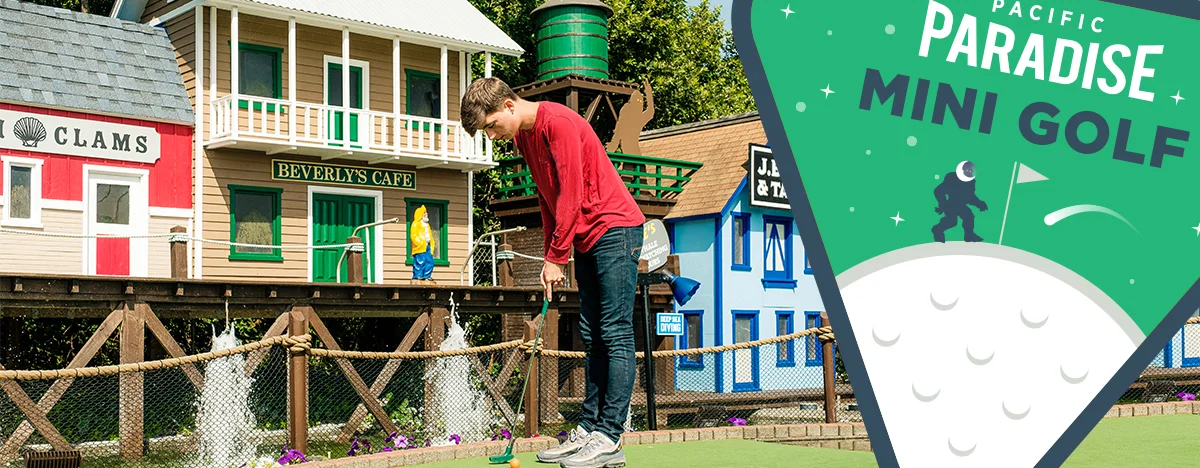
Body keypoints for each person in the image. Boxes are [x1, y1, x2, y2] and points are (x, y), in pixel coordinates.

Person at [461, 77, 646, 468]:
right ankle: (590, 429)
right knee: (592, 333)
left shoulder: (557, 123)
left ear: (508, 105)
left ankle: (610, 437)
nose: (491, 136)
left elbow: (572, 193)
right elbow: (549, 199)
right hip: (588, 236)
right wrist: (551, 254)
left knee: (614, 331)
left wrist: (558, 257)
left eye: (491, 126)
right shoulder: (524, 137)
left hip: (616, 229)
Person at [931, 160, 988, 243]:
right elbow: (938, 191)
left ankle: (969, 235)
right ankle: (937, 230)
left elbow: (970, 196)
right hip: (950, 204)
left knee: (969, 216)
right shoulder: (952, 178)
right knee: (952, 221)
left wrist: (979, 203)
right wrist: (943, 204)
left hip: (960, 205)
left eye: (971, 171)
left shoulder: (971, 182)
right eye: (967, 170)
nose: (969, 172)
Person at [411, 205, 436, 281]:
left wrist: (432, 244)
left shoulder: (427, 225)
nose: (426, 214)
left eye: (426, 212)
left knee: (430, 261)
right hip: (420, 247)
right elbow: (413, 235)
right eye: (424, 212)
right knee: (420, 261)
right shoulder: (415, 224)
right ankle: (418, 275)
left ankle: (427, 275)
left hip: (427, 246)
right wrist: (419, 243)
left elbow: (430, 235)